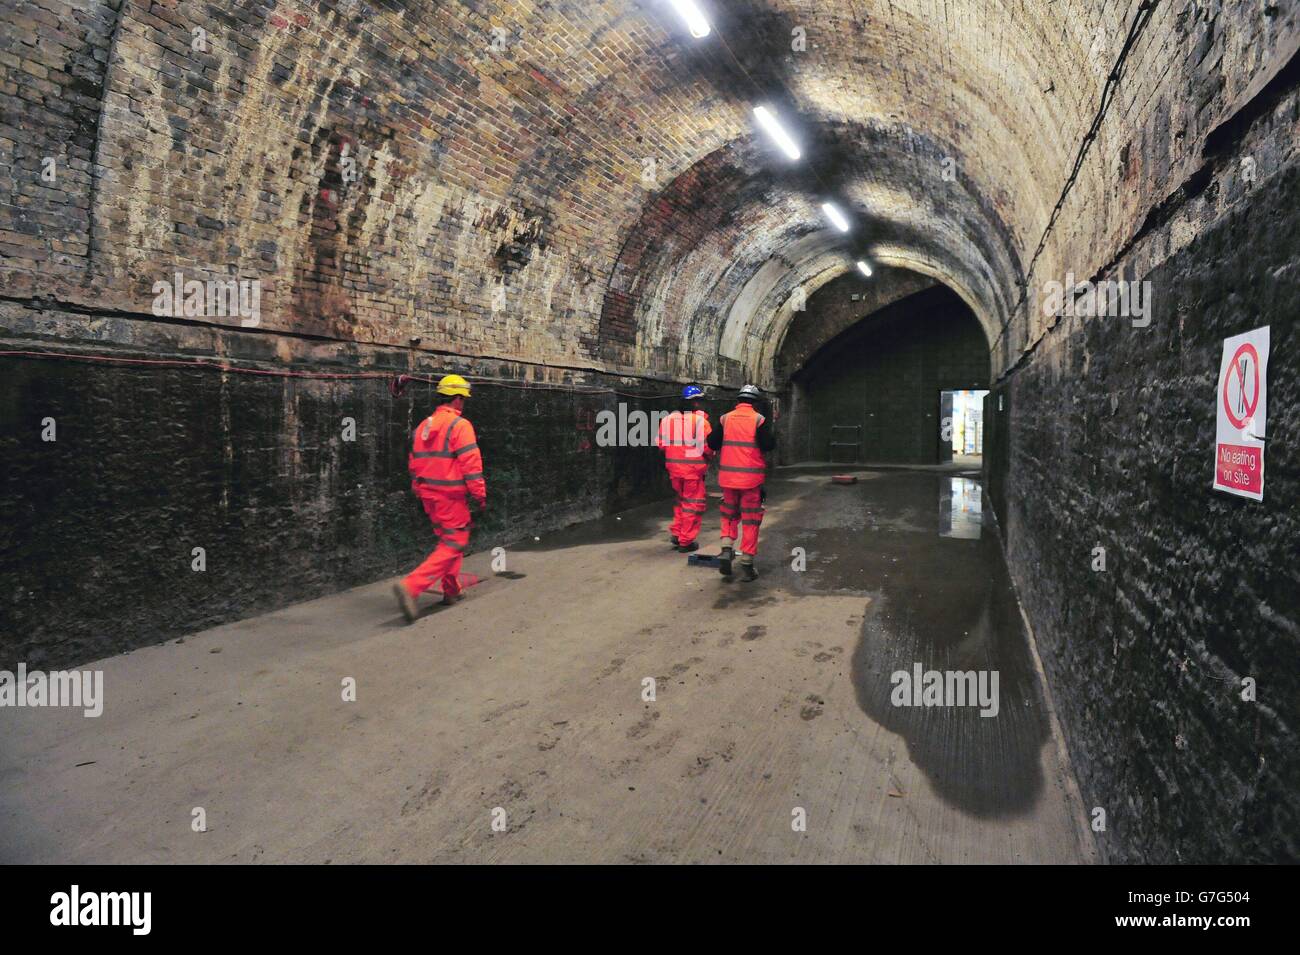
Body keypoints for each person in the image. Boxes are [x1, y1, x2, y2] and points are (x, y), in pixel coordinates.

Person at [393, 374, 487, 623]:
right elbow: (471, 465)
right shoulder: (460, 426)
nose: (463, 403)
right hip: (451, 497)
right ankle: (411, 586)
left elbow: (414, 463)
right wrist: (479, 495)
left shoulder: (423, 426)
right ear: (457, 400)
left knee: (449, 542)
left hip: (429, 497)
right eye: (463, 399)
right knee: (454, 541)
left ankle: (451, 590)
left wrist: (418, 487)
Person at [706, 384, 775, 582]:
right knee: (751, 520)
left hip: (728, 479)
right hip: (751, 480)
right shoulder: (758, 420)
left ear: (738, 401)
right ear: (755, 403)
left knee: (729, 515)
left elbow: (712, 443)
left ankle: (727, 548)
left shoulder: (725, 419)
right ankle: (747, 562)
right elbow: (769, 445)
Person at [656, 385, 713, 552]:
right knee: (692, 505)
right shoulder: (700, 422)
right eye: (700, 401)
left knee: (681, 502)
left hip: (674, 469)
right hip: (692, 471)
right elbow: (707, 448)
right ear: (695, 403)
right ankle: (686, 541)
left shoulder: (667, 420)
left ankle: (677, 533)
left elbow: (661, 444)